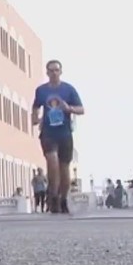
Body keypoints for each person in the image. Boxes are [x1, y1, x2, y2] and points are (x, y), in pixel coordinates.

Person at [31, 59, 83, 213]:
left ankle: (63, 199)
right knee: (52, 162)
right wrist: (35, 118)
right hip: (48, 132)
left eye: (56, 70)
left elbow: (81, 109)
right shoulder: (41, 90)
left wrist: (69, 108)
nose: (54, 73)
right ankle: (53, 196)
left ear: (60, 72)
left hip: (65, 132)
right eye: (51, 70)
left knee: (64, 167)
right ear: (47, 73)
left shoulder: (69, 89)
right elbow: (35, 106)